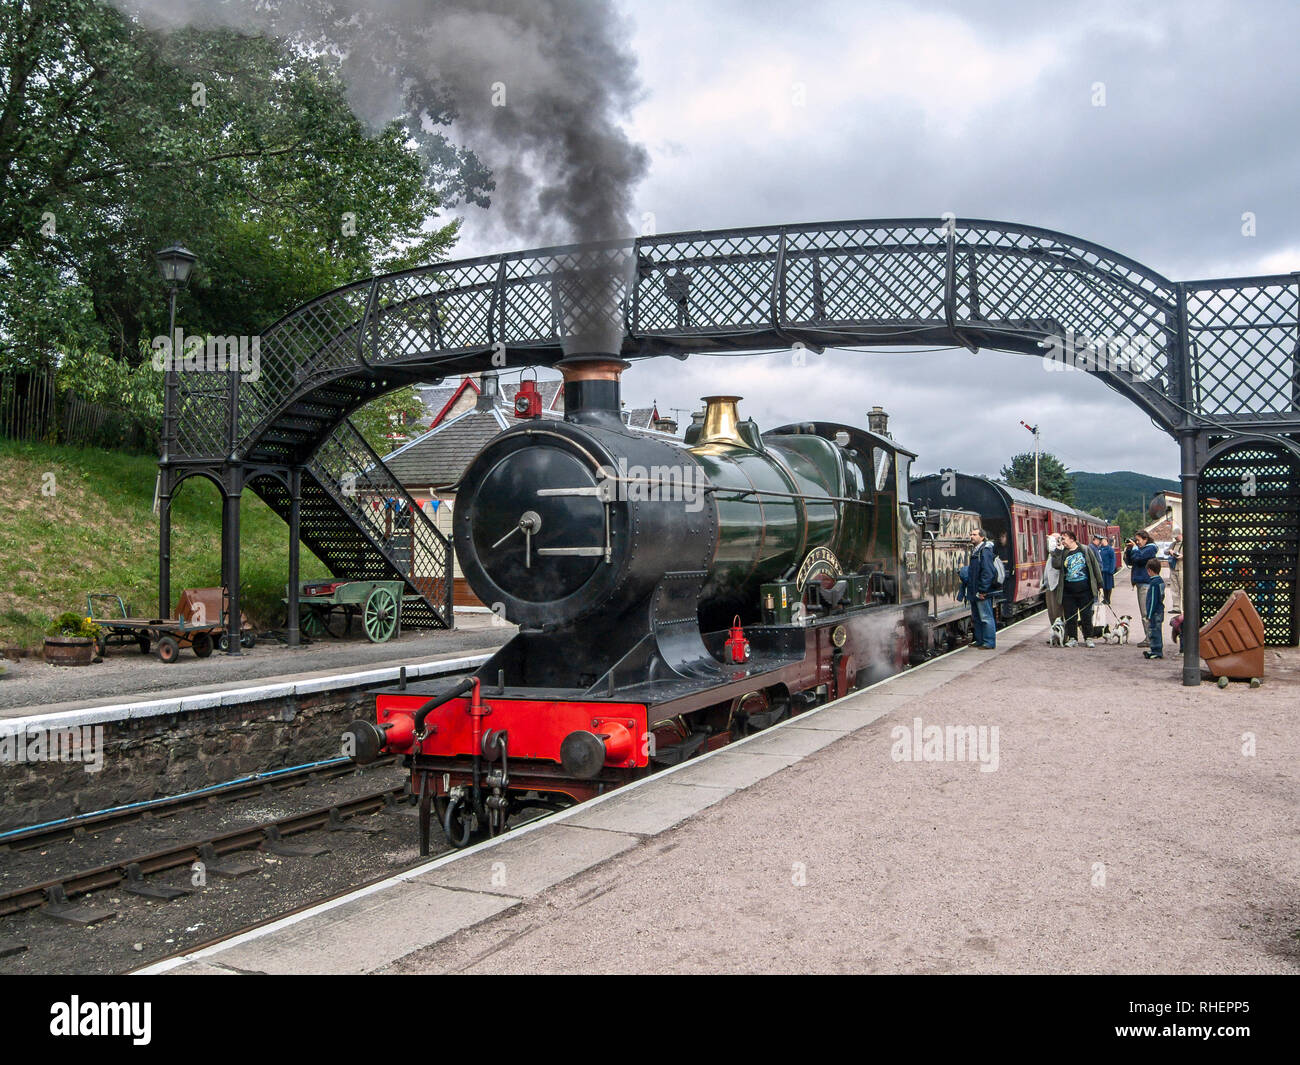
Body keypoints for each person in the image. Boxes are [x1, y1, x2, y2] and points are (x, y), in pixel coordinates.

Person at [1059, 530, 1103, 647]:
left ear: (1072, 539)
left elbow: (1095, 567)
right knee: (1070, 616)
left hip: (1085, 590)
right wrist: (1056, 552)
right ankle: (1073, 638)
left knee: (1086, 615)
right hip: (1068, 591)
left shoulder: (1085, 550)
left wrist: (1099, 584)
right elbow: (1056, 565)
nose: (1062, 541)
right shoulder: (1063, 553)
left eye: (1064, 538)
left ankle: (1088, 637)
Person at [1124, 531, 1159, 647]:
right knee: (1145, 612)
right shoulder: (1141, 549)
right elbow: (1130, 561)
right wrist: (1129, 550)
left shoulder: (1150, 549)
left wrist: (1134, 549)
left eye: (1138, 540)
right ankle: (1149, 637)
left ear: (1145, 539)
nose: (1137, 542)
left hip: (1145, 583)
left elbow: (1138, 559)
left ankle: (1150, 638)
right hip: (1140, 583)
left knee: (1146, 612)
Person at [967, 527, 998, 649]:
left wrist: (983, 590)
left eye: (974, 534)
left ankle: (989, 642)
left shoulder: (985, 551)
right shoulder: (976, 551)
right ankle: (980, 640)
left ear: (982, 537)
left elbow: (987, 572)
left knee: (986, 617)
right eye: (971, 534)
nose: (971, 536)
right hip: (974, 590)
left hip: (981, 591)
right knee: (977, 617)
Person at [1143, 559, 1166, 659]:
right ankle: (1156, 649)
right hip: (1160, 610)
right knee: (1158, 630)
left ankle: (1156, 650)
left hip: (1154, 612)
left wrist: (1149, 614)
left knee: (1154, 630)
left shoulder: (1153, 583)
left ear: (1150, 570)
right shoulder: (1160, 581)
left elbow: (1152, 600)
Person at [1043, 532, 1063, 635]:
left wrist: (1057, 549)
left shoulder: (1059, 552)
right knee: (1051, 611)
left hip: (1056, 585)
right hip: (1049, 585)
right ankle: (1055, 633)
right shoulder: (1051, 554)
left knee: (1057, 611)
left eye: (1052, 540)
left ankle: (1062, 634)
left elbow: (1057, 565)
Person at [1096, 535, 1117, 606]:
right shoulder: (1099, 549)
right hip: (1102, 570)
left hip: (1108, 570)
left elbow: (1113, 560)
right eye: (1101, 540)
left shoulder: (1110, 549)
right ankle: (1105, 598)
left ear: (1106, 541)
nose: (1102, 541)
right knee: (1104, 586)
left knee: (1109, 586)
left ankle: (1108, 599)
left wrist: (1111, 569)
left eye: (1103, 540)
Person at [1166, 530, 1183, 614]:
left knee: (1183, 589)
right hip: (1173, 569)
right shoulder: (1173, 544)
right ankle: (1176, 607)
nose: (1176, 538)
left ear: (1180, 534)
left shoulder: (1185, 543)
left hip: (1181, 569)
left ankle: (1184, 607)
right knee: (1174, 589)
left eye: (1177, 536)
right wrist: (1170, 551)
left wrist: (1182, 556)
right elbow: (1165, 551)